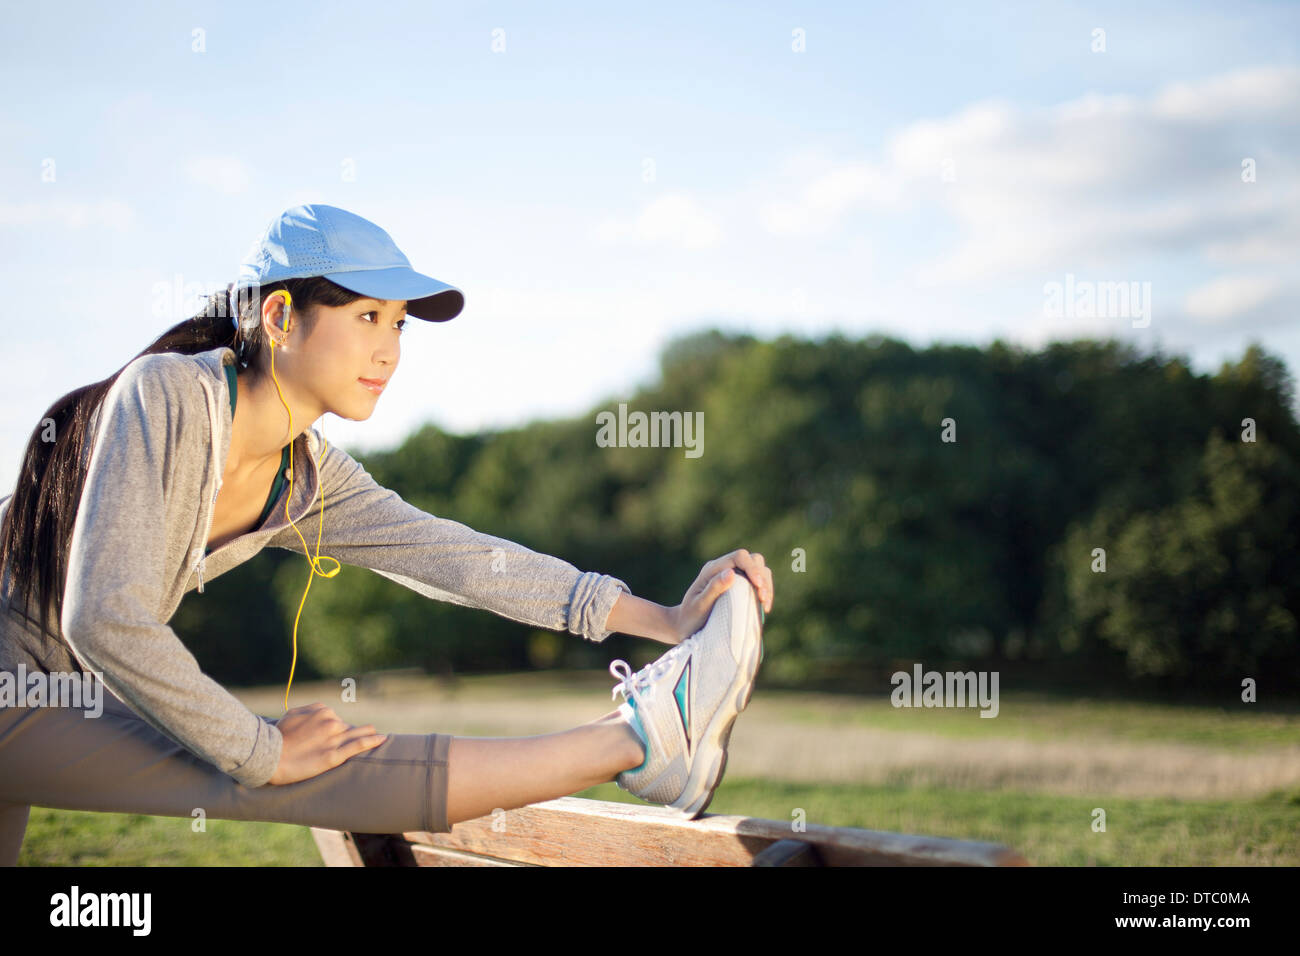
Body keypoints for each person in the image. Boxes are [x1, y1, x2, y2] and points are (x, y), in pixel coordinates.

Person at [0, 204, 773, 866]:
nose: (389, 351)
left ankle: (646, 739)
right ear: (278, 317)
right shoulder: (169, 395)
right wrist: (260, 752)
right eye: (367, 316)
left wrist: (664, 619)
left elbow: (466, 562)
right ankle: (641, 741)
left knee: (283, 761)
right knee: (290, 769)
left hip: (59, 694)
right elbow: (102, 617)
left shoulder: (307, 477)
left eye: (398, 325)